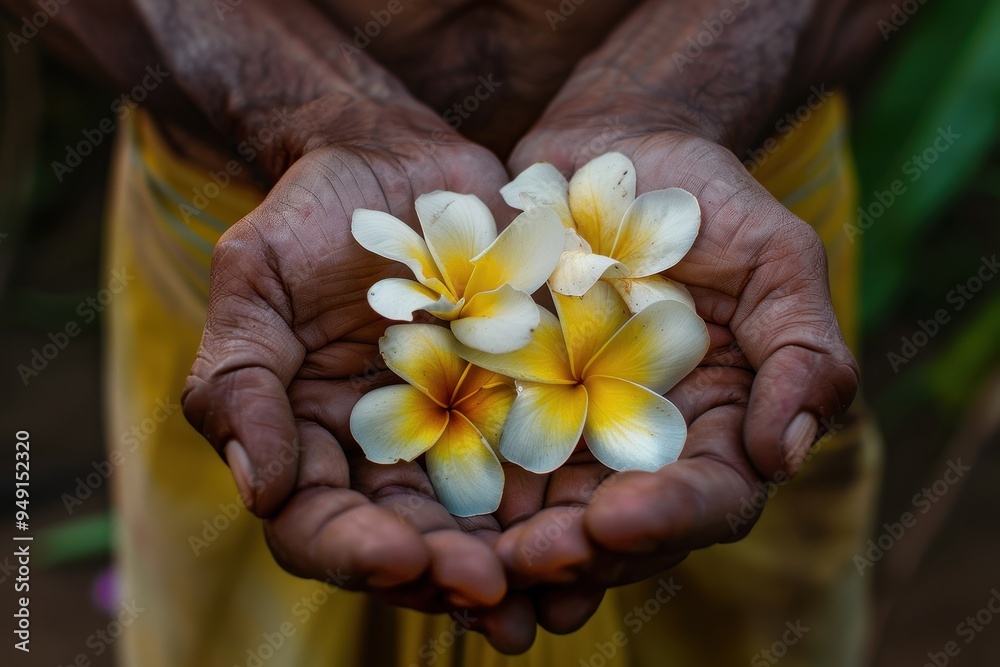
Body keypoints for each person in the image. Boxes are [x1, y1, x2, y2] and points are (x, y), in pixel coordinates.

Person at [7, 0, 888, 663]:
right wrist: (302, 103)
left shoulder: (601, 295)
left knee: (743, 636)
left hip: (719, 225)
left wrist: (685, 88)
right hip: (253, 227)